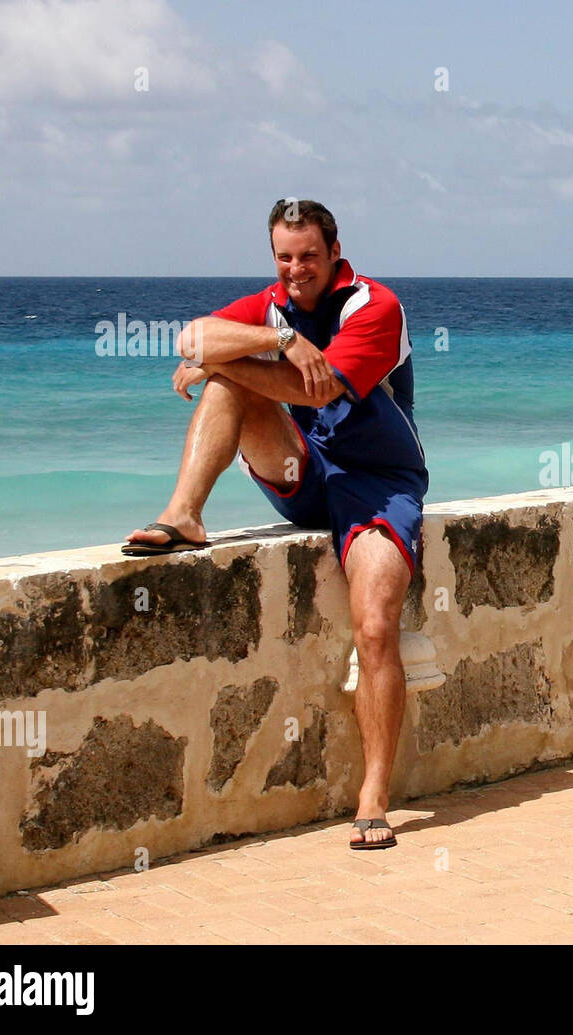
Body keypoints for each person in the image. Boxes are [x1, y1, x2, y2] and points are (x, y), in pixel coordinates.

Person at [123, 199, 428, 850]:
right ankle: (184, 515)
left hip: (377, 481)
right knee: (229, 388)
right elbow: (190, 338)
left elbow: (320, 390)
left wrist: (218, 359)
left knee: (375, 626)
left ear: (336, 250)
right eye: (284, 256)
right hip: (305, 469)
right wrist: (274, 339)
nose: (296, 269)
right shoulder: (272, 308)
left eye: (308, 256)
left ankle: (373, 793)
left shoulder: (374, 307)